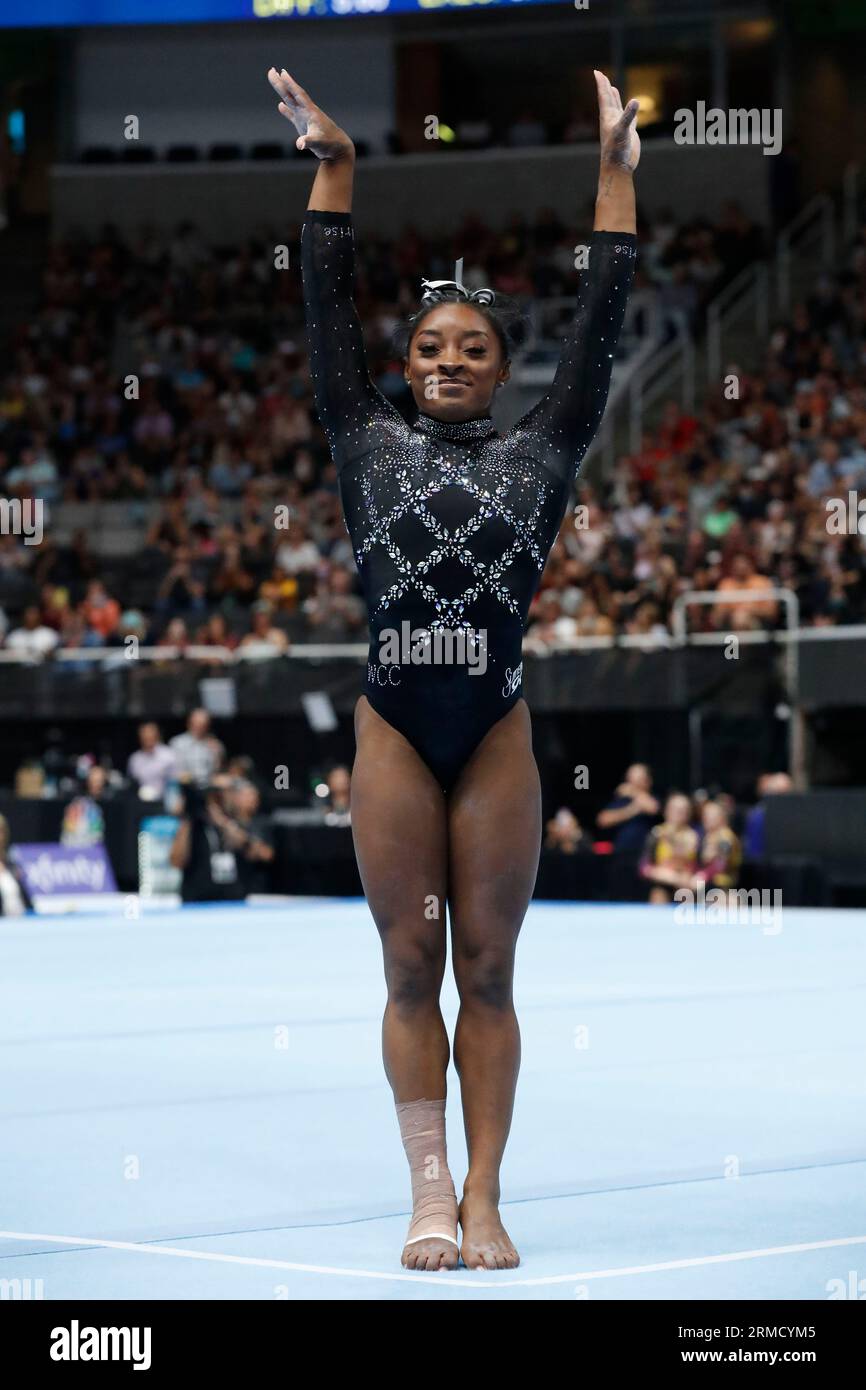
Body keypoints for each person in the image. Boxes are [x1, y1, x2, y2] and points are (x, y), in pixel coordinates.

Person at [268, 63, 639, 1270]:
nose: (441, 359)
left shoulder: (546, 452)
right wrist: (337, 170)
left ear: (498, 365)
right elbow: (325, 304)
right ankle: (427, 1189)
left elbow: (600, 322)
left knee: (486, 964)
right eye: (425, 343)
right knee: (409, 960)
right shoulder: (360, 434)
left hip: (489, 730)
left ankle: (486, 1194)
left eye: (467, 346)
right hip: (391, 726)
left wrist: (613, 177)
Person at [639, 793, 699, 903]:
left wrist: (694, 877)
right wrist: (664, 875)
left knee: (686, 895)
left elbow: (701, 865)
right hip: (662, 882)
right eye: (675, 809)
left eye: (684, 810)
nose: (680, 813)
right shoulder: (656, 834)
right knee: (658, 895)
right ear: (666, 811)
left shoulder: (696, 836)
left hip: (686, 886)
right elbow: (644, 867)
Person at [596, 763, 660, 852]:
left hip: (646, 851)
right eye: (631, 780)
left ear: (648, 781)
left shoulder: (653, 797)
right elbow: (602, 820)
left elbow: (653, 808)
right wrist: (630, 811)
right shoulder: (623, 800)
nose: (634, 784)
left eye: (639, 780)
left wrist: (633, 791)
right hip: (622, 850)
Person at [169, 708, 222, 787]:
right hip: (186, 786)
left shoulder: (214, 743)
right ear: (189, 724)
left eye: (203, 725)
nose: (200, 727)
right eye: (197, 724)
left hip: (208, 787)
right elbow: (176, 771)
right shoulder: (177, 743)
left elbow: (216, 771)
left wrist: (217, 754)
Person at [127, 722, 177, 800]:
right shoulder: (134, 759)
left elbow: (175, 782)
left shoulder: (169, 755)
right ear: (140, 737)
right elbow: (131, 783)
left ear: (157, 736)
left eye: (151, 735)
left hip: (164, 801)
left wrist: (176, 799)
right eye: (145, 735)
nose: (148, 737)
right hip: (141, 802)